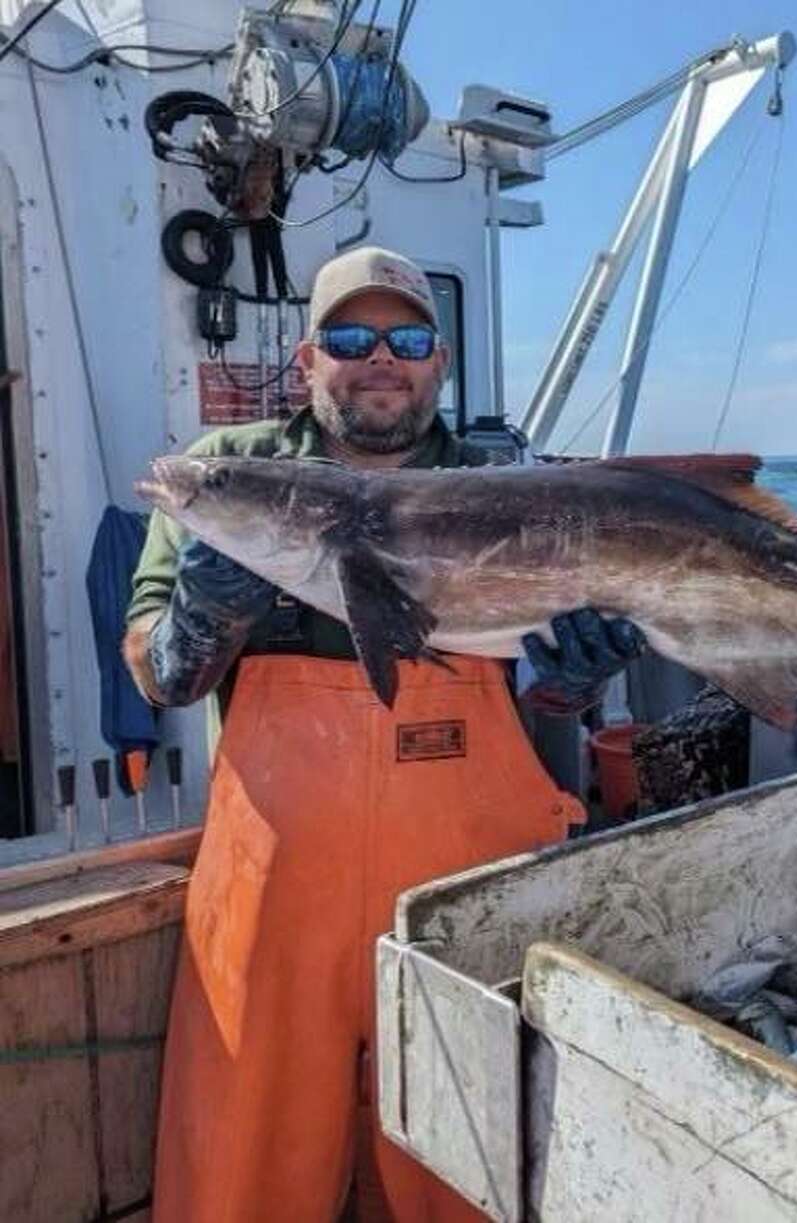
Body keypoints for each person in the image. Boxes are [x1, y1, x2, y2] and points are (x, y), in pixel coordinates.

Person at [122, 246, 642, 1222]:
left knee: (472, 1175)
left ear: (439, 358)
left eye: (406, 339)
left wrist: (577, 675)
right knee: (240, 1172)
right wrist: (201, 614)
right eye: (353, 337)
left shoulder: (507, 485)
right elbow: (156, 670)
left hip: (467, 898)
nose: (381, 360)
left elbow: (544, 698)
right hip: (272, 904)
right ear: (309, 357)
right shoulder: (229, 470)